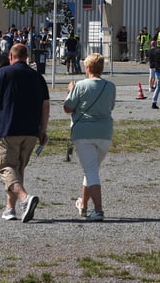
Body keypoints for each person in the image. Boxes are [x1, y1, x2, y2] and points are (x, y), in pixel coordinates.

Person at [0, 43, 50, 222]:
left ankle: (25, 199)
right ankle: (10, 209)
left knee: (5, 167)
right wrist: (43, 129)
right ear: (26, 57)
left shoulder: (2, 73)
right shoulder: (37, 77)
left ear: (11, 56)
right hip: (31, 131)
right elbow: (45, 105)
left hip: (8, 128)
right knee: (17, 170)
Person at [63, 53, 116, 222]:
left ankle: (98, 210)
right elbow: (111, 106)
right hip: (105, 133)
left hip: (83, 133)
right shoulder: (110, 86)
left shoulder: (80, 85)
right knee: (91, 169)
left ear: (88, 68)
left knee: (91, 170)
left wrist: (71, 91)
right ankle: (83, 204)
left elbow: (67, 108)